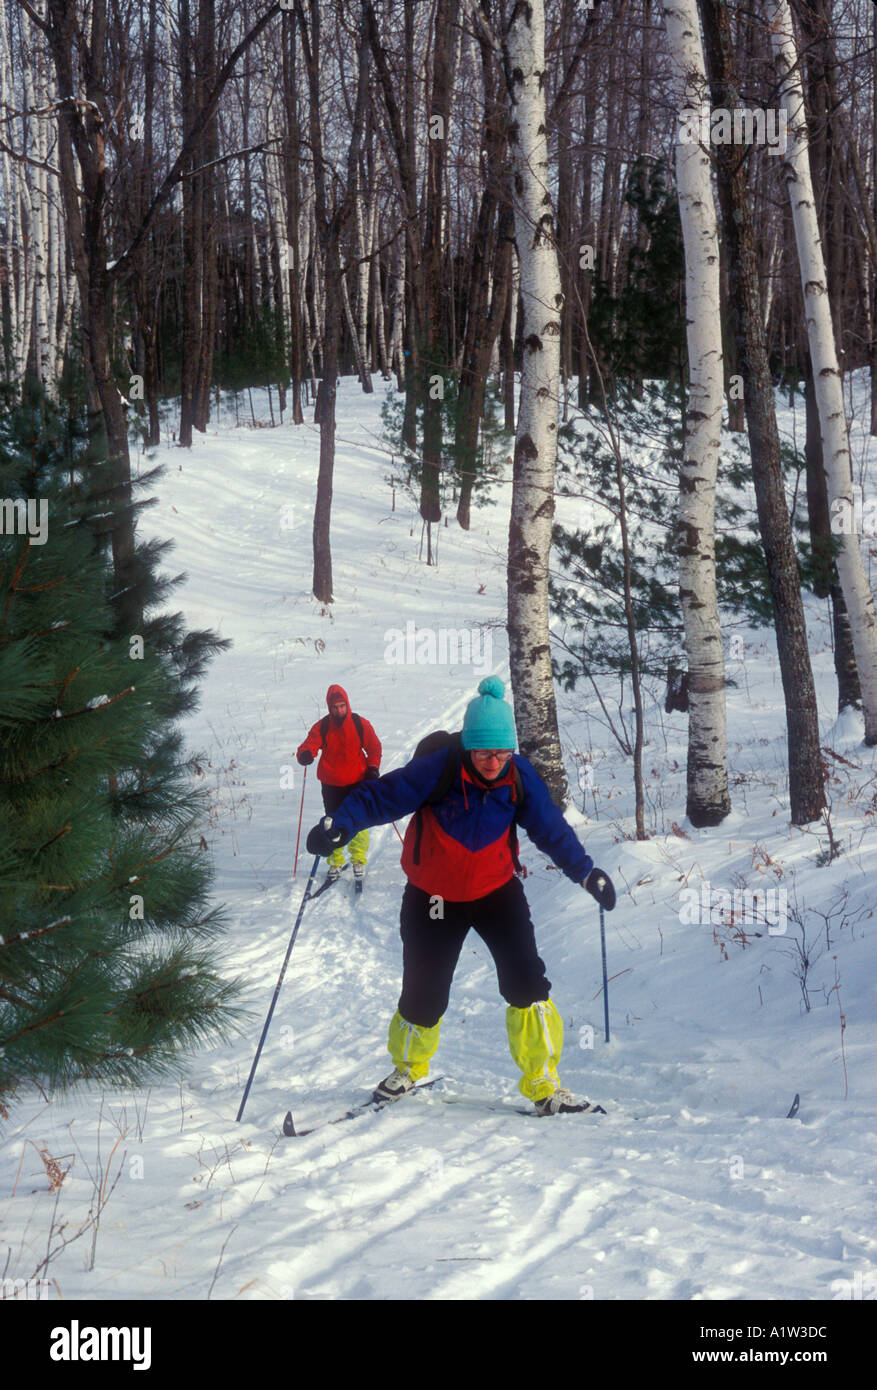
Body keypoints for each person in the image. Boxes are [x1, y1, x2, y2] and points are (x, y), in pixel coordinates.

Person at [306, 676, 616, 1116]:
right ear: (469, 746)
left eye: (502, 752)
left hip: (495, 892)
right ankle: (409, 1068)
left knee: (527, 983)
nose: (494, 762)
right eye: (485, 752)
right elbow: (382, 796)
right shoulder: (440, 768)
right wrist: (340, 824)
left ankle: (545, 1085)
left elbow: (550, 828)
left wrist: (586, 874)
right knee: (424, 992)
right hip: (434, 897)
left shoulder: (518, 775)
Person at [296, 684, 382, 885]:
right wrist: (305, 755)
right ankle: (335, 861)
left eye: (342, 706)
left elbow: (375, 748)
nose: (339, 710)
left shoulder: (360, 724)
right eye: (335, 707)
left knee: (359, 822)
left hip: (358, 781)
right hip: (331, 785)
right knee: (332, 824)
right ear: (329, 707)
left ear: (347, 704)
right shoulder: (323, 726)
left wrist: (372, 768)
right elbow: (308, 745)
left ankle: (358, 860)